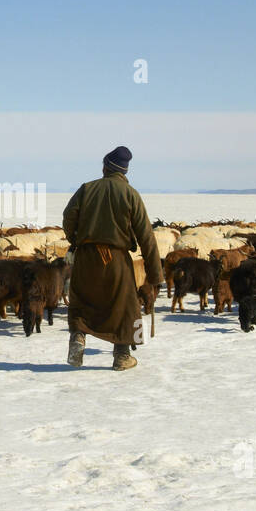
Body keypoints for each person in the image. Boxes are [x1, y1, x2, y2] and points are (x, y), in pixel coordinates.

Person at [62, 146, 162, 370]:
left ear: (106, 166)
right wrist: (155, 274)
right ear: (124, 171)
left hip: (87, 256)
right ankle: (122, 355)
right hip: (116, 260)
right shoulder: (131, 194)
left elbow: (68, 218)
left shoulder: (86, 189)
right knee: (126, 307)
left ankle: (78, 338)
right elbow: (146, 236)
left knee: (81, 300)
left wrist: (76, 239)